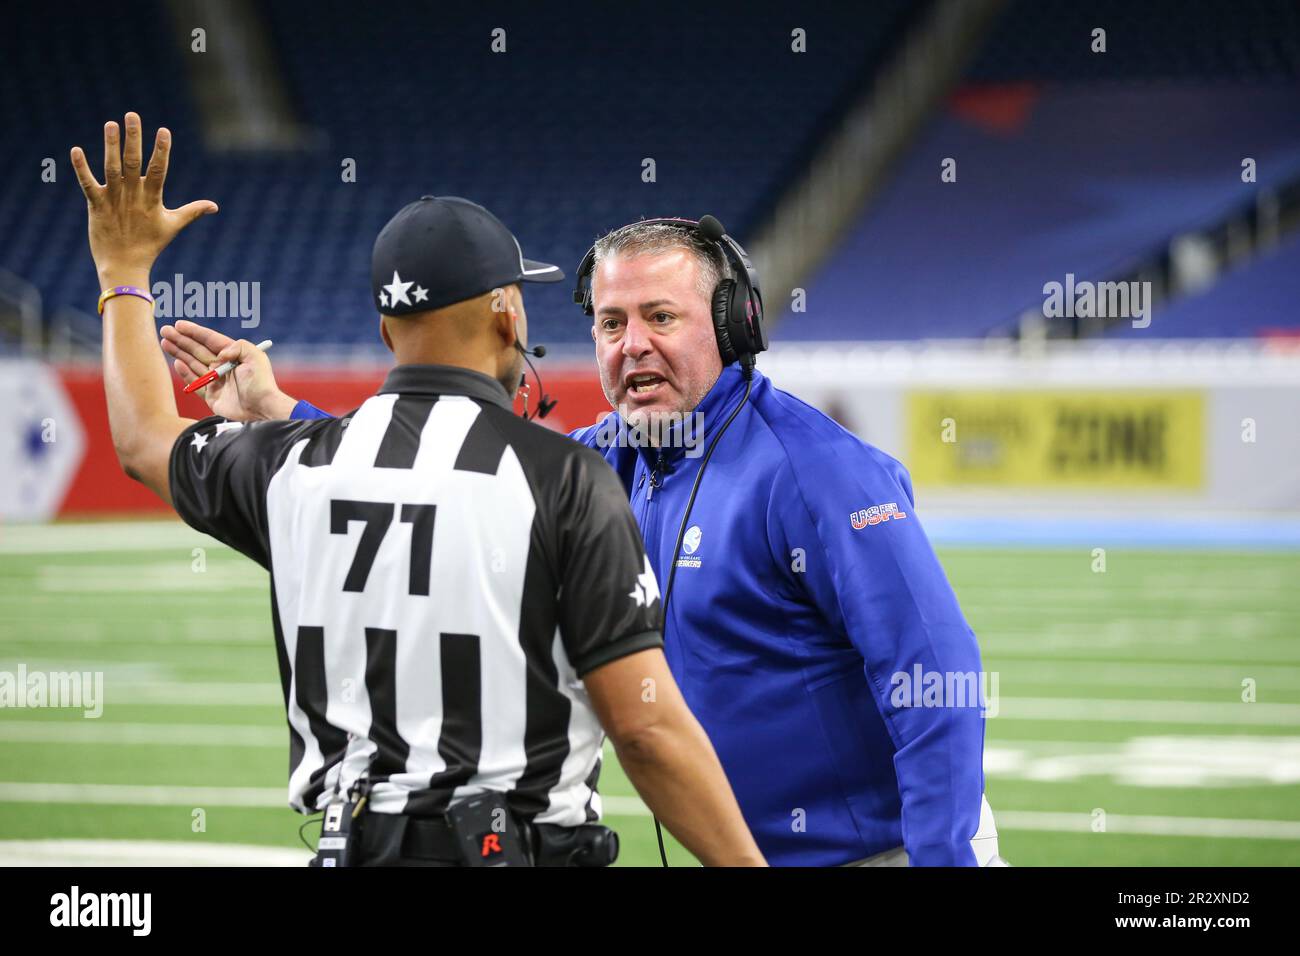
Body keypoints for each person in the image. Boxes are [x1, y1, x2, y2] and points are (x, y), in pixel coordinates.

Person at [166, 218, 1003, 867]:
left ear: (733, 325)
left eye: (660, 317)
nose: (631, 344)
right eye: (610, 323)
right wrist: (284, 415)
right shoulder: (596, 465)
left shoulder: (821, 472)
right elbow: (443, 473)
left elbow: (936, 676)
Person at [74, 113, 763, 867]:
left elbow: (142, 439)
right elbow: (645, 730)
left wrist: (123, 273)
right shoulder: (563, 477)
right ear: (507, 313)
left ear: (385, 331)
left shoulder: (292, 467)